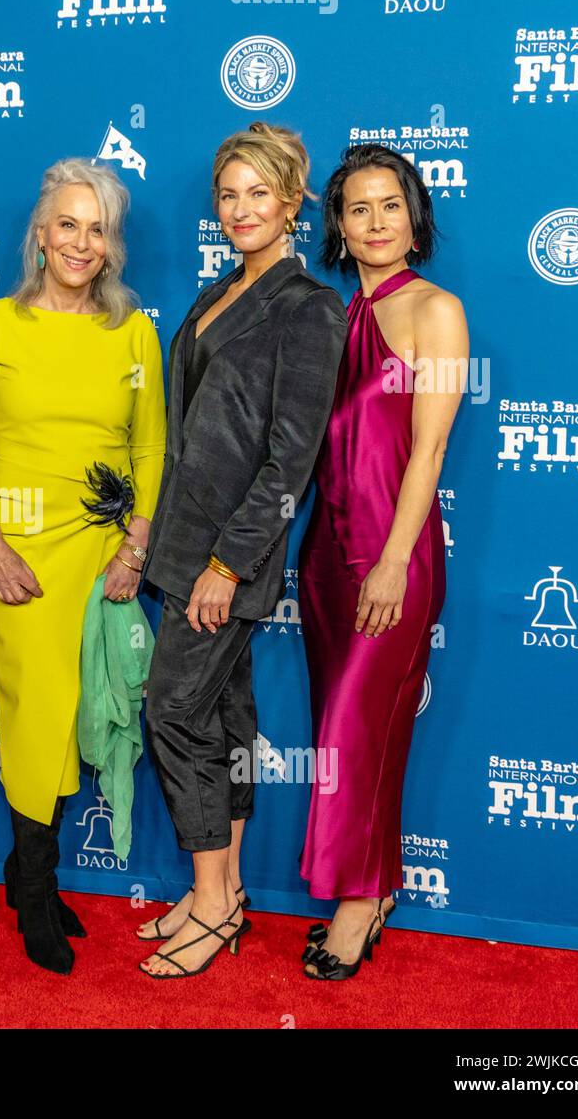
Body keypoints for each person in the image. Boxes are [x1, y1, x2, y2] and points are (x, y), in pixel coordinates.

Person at [137, 122, 347, 979]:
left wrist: (227, 565)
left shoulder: (309, 307)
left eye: (259, 192)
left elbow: (290, 458)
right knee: (223, 717)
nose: (240, 209)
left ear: (293, 200)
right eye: (228, 194)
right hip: (183, 546)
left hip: (230, 557)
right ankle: (218, 891)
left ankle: (216, 904)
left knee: (173, 710)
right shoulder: (217, 291)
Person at [0, 159, 166, 975]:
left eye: (98, 228)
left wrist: (136, 546)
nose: (82, 241)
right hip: (18, 551)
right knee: (37, 709)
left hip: (103, 554)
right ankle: (36, 890)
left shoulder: (134, 332)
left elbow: (150, 445)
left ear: (112, 247)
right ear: (40, 235)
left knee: (85, 710)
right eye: (67, 224)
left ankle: (19, 869)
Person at [299, 145, 466, 980]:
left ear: (414, 214)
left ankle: (360, 900)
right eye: (357, 208)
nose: (374, 222)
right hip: (324, 554)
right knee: (339, 728)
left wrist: (396, 559)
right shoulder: (329, 317)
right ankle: (375, 883)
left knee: (364, 725)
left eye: (389, 205)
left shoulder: (436, 311)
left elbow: (429, 448)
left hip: (391, 554)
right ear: (337, 224)